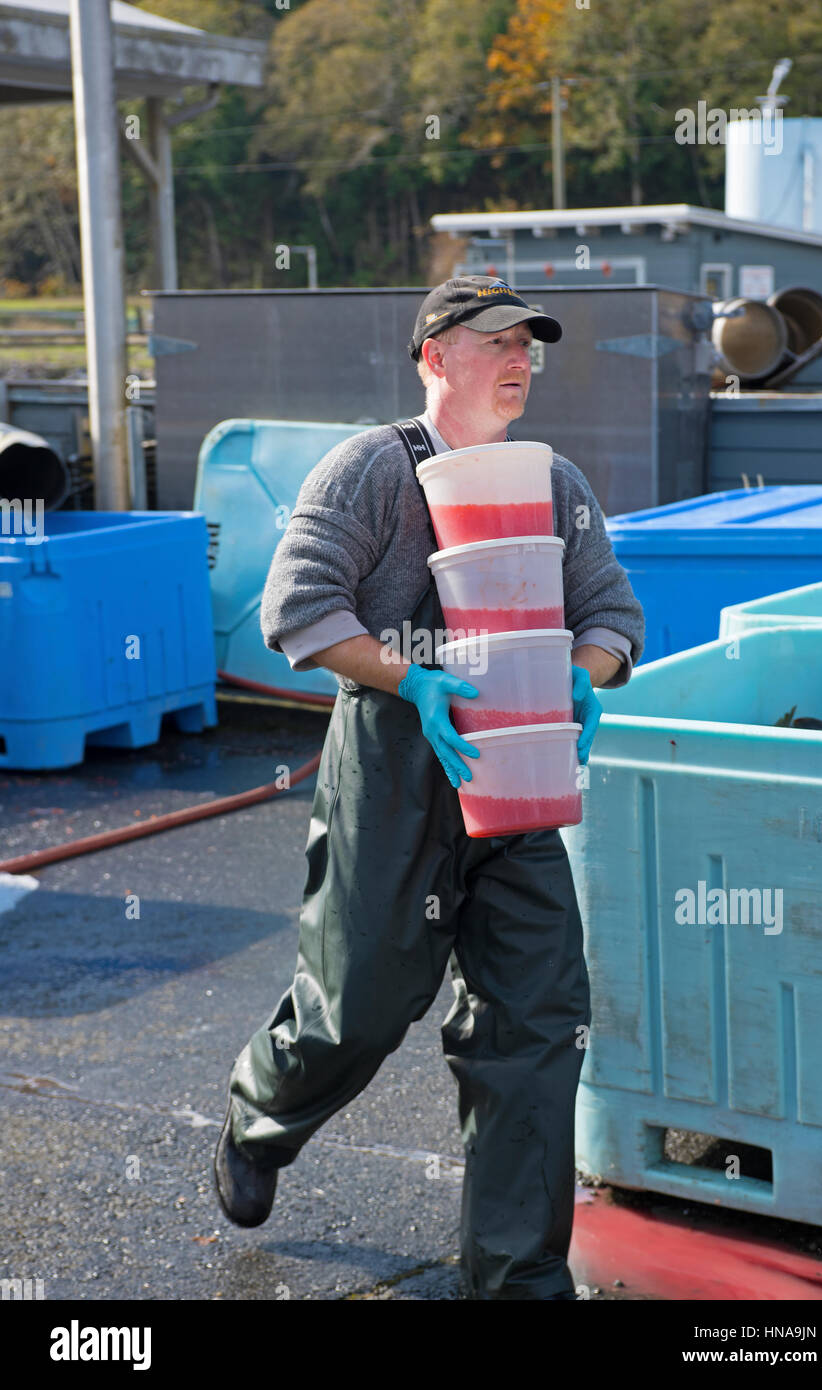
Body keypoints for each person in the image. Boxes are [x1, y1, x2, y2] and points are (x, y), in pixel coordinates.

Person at [214, 275, 645, 1300]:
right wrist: (416, 677)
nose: (519, 358)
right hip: (399, 771)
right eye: (495, 339)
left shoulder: (556, 483)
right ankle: (257, 1119)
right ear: (433, 356)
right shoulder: (371, 469)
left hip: (520, 775)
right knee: (359, 1005)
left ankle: (516, 1279)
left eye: (529, 344)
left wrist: (585, 678)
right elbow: (297, 607)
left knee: (539, 1019)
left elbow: (612, 611)